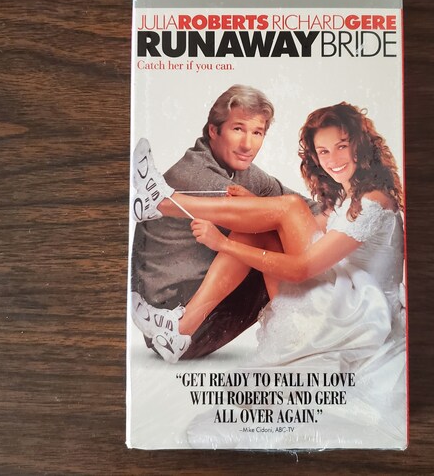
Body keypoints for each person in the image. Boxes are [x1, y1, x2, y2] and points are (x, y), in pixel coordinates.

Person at [132, 102, 407, 447]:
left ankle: (162, 203)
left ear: (360, 145)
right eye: (323, 151)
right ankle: (180, 329)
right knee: (261, 226)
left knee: (287, 208)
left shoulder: (374, 201)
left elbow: (302, 267)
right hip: (337, 303)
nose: (333, 159)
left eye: (341, 146)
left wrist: (223, 244)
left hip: (356, 317)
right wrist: (256, 205)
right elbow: (296, 226)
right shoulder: (347, 199)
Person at [130, 84, 318, 359]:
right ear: (213, 131)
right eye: (238, 129)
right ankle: (293, 334)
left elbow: (306, 209)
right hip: (172, 320)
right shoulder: (194, 174)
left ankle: (162, 202)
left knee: (278, 216)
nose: (247, 144)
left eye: (257, 133)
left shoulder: (243, 173)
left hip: (199, 319)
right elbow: (282, 212)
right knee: (261, 226)